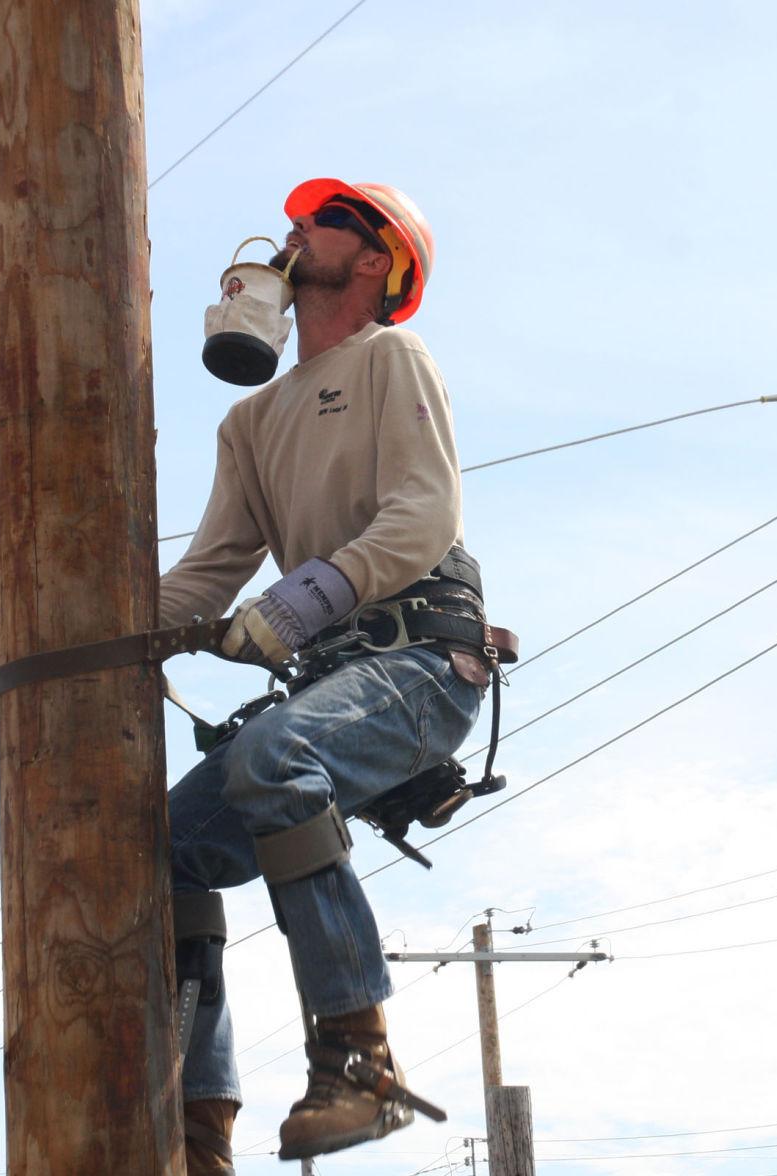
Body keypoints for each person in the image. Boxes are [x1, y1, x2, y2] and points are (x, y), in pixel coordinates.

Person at [158, 179, 499, 1172]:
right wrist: (111, 629)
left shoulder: (390, 357)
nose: (296, 226)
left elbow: (423, 516)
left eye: (327, 220)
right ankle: (197, 1122)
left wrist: (293, 607)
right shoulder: (251, 424)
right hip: (332, 681)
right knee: (164, 849)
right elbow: (209, 571)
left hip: (423, 661)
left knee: (273, 754)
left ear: (374, 262)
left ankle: (357, 1056)